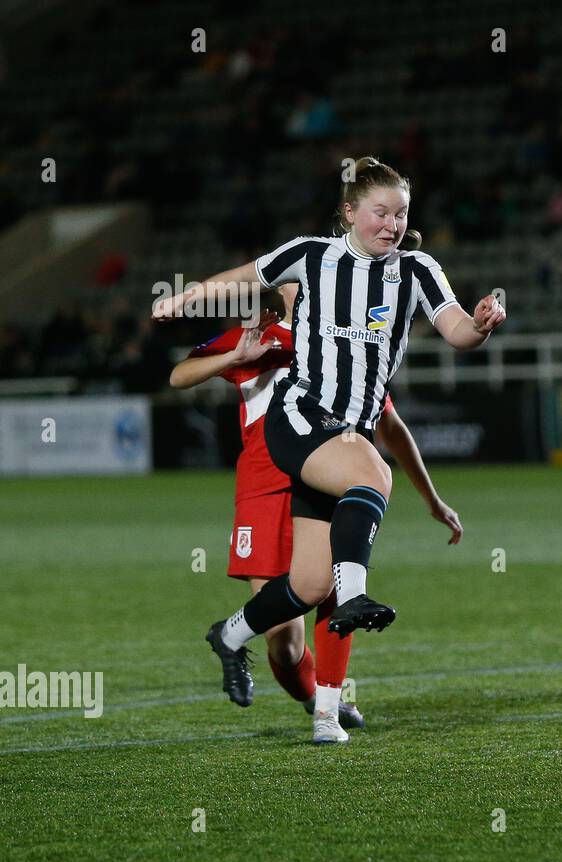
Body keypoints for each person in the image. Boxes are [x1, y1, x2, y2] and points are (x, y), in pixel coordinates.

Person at [154, 157, 504, 736]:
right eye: (380, 212)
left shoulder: (416, 271)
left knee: (311, 584)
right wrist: (183, 300)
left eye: (401, 214)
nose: (392, 223)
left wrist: (484, 323)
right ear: (349, 213)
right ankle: (356, 600)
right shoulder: (310, 259)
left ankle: (234, 636)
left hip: (346, 437)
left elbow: (458, 331)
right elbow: (245, 275)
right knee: (372, 476)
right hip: (299, 420)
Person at [170, 286, 463, 742]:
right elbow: (179, 376)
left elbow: (392, 427)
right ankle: (308, 692)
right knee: (284, 645)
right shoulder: (257, 337)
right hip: (263, 488)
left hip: (321, 477)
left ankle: (326, 710)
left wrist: (432, 498)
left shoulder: (343, 347)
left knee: (333, 590)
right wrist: (232, 358)